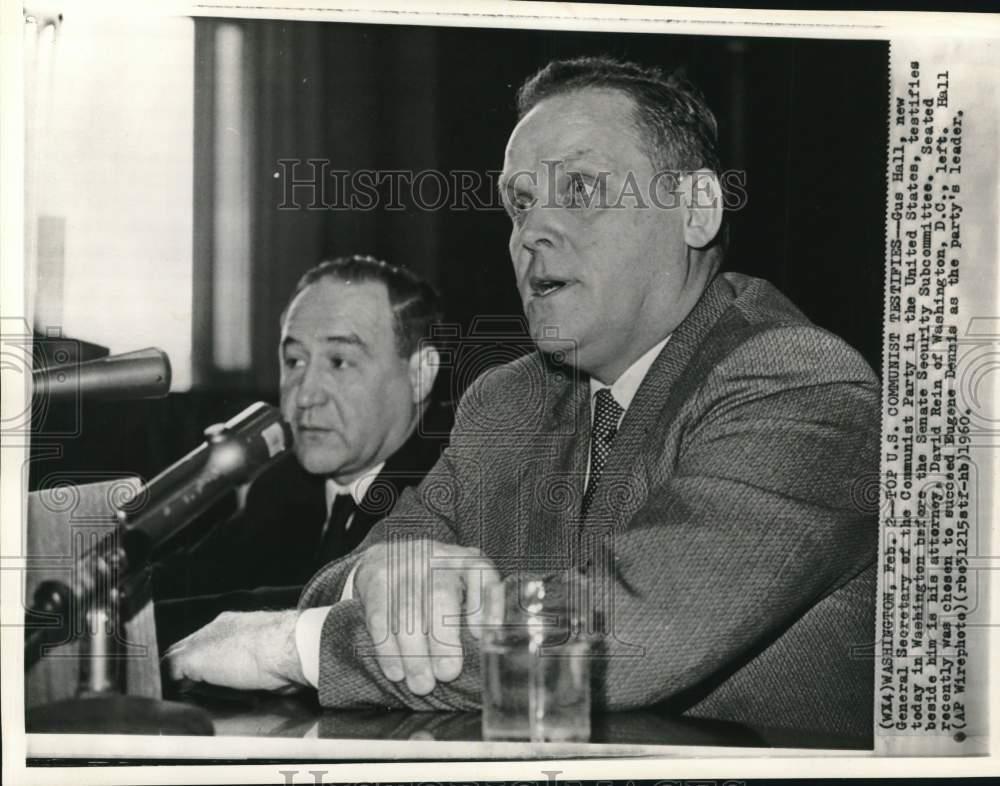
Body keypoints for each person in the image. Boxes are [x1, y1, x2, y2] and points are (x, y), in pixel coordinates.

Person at [165, 57, 880, 737]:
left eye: (582, 190)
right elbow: (347, 579)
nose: (533, 229)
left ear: (696, 209)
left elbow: (623, 637)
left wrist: (300, 648)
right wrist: (378, 575)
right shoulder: (507, 402)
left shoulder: (801, 384)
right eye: (521, 202)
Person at [154, 255, 451, 644]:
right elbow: (182, 584)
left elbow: (341, 617)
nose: (305, 394)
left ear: (419, 374)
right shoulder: (280, 485)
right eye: (294, 361)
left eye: (340, 362)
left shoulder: (452, 484)